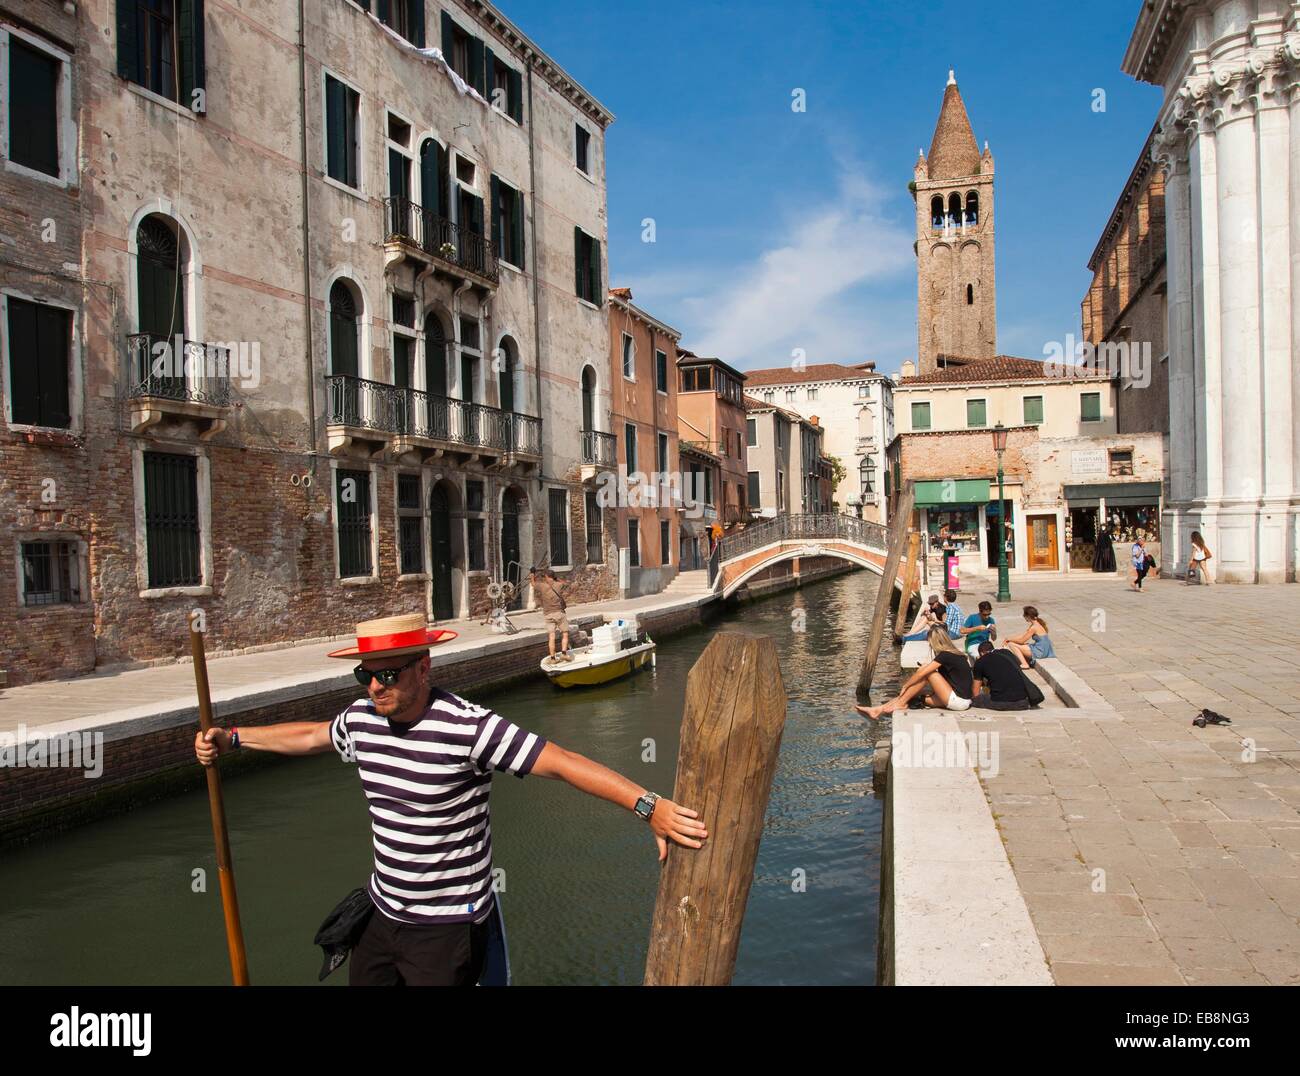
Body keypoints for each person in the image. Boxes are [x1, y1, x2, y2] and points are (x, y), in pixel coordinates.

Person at [194, 614, 707, 985]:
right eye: (366, 674)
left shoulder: (469, 729)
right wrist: (234, 738)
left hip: (445, 929)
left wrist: (649, 806)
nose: (375, 686)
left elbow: (563, 762)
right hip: (382, 911)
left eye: (389, 673)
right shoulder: (361, 721)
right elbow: (309, 736)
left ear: (423, 667)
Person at [856, 626, 973, 720]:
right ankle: (877, 710)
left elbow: (924, 673)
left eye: (930, 642)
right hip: (961, 700)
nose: (930, 645)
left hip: (958, 700)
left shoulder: (945, 655)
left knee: (928, 673)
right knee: (912, 697)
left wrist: (906, 685)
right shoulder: (955, 654)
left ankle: (900, 704)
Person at [970, 641, 1030, 710]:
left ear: (981, 653)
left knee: (975, 700)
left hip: (1000, 702)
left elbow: (975, 693)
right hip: (1023, 702)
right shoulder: (1008, 653)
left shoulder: (980, 662)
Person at [531, 566, 570, 661]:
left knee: (551, 636)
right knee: (565, 633)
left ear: (547, 577)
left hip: (548, 615)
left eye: (545, 577)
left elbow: (533, 583)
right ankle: (564, 653)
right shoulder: (558, 585)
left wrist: (532, 574)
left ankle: (553, 658)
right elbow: (567, 584)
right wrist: (556, 578)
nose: (544, 578)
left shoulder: (542, 586)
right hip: (559, 613)